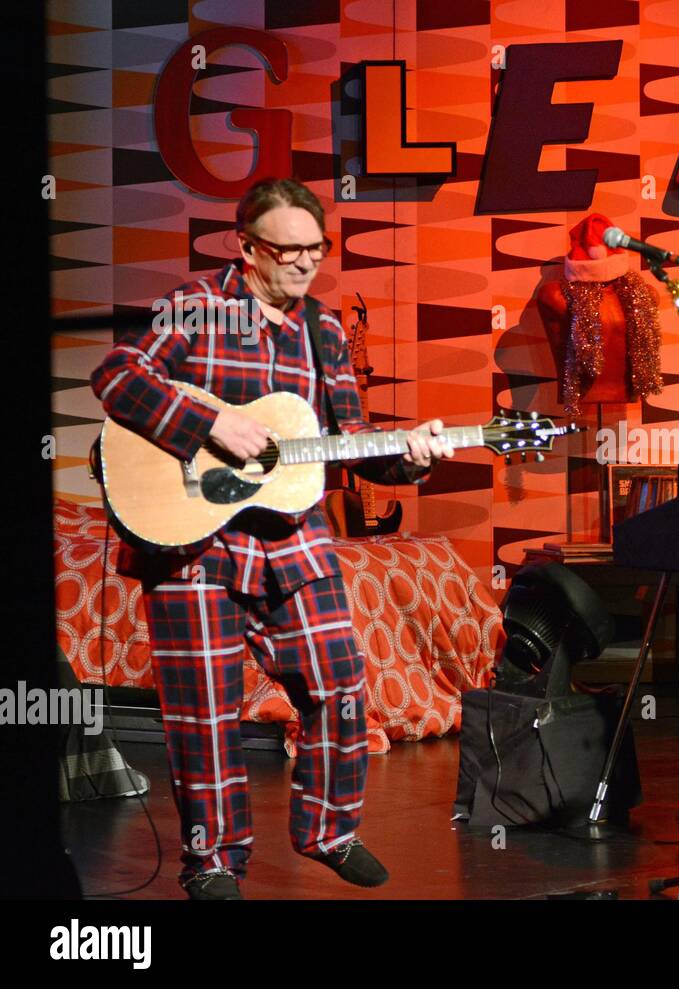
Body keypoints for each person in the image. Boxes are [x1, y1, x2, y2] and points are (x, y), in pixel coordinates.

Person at [91, 177, 455, 899]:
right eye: (287, 249)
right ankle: (216, 861)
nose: (303, 264)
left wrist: (405, 456)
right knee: (203, 708)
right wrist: (208, 424)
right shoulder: (199, 306)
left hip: (289, 536)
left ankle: (327, 828)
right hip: (193, 537)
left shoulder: (322, 330)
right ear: (246, 245)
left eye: (315, 249)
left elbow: (346, 443)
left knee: (341, 682)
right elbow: (116, 375)